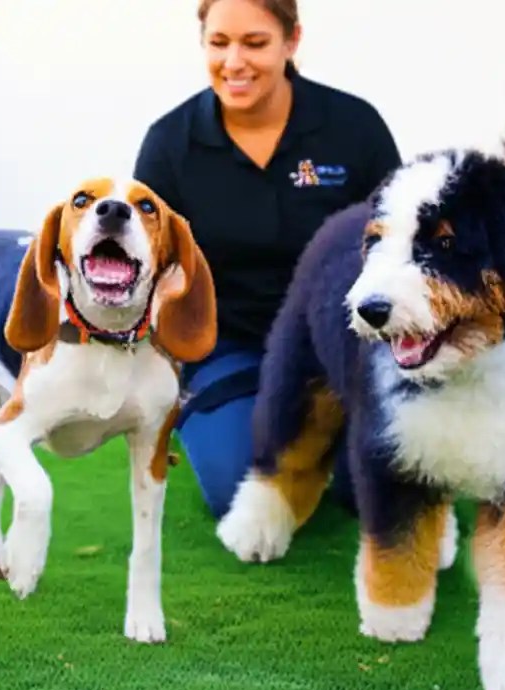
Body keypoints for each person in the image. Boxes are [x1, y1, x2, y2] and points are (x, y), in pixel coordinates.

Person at [133, 0, 402, 518]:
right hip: (227, 347)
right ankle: (255, 426)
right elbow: (150, 270)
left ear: (292, 40)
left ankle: (328, 434)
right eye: (219, 43)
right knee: (237, 491)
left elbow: (400, 245)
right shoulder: (169, 145)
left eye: (254, 43)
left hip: (342, 346)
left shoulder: (355, 127)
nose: (234, 62)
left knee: (373, 491)